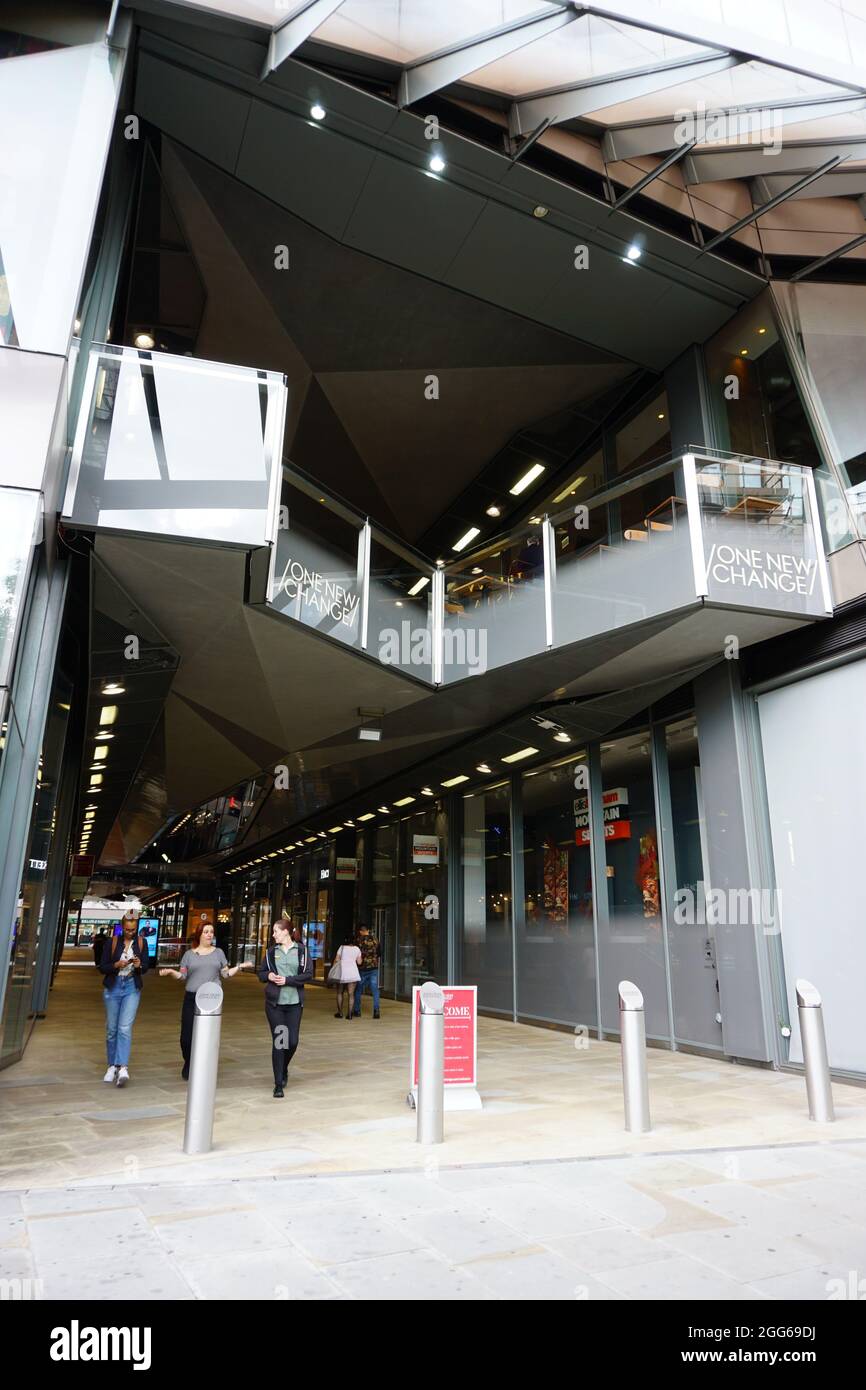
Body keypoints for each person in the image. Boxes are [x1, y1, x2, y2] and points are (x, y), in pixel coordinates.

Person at [159, 922, 251, 1078]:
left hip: (210, 999)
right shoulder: (189, 955)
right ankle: (189, 1062)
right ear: (199, 934)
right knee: (186, 1038)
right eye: (206, 932)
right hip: (191, 998)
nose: (209, 935)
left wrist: (240, 966)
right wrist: (170, 972)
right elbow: (183, 976)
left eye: (211, 932)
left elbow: (225, 974)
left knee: (207, 1036)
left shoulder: (218, 953)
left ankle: (203, 1066)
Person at [257, 915, 312, 1098]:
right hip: (275, 1005)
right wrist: (270, 976)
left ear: (286, 931)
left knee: (293, 1041)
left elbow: (308, 975)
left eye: (276, 931)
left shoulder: (302, 951)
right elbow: (262, 972)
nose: (273, 935)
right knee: (280, 1042)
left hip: (295, 1003)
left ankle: (283, 1068)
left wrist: (288, 980)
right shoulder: (271, 952)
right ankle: (278, 1083)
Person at [98, 909, 150, 1087]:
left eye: (133, 929)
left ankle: (123, 1067)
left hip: (131, 987)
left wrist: (138, 965)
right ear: (122, 927)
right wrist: (116, 964)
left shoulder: (142, 943)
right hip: (113, 987)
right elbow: (102, 967)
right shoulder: (112, 943)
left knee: (124, 1027)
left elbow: (146, 968)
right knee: (112, 1029)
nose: (130, 932)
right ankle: (111, 1065)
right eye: (128, 929)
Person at [352, 924, 381, 1019]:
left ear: (360, 931)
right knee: (375, 990)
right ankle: (376, 1011)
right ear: (368, 930)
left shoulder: (358, 941)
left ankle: (357, 1011)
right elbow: (379, 953)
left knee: (358, 990)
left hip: (362, 968)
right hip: (373, 967)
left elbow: (355, 955)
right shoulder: (376, 940)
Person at [333, 936, 362, 1021]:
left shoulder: (341, 948)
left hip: (342, 973)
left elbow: (337, 959)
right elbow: (359, 962)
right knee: (351, 994)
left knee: (339, 992)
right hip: (353, 973)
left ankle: (340, 1013)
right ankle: (349, 1015)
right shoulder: (357, 949)